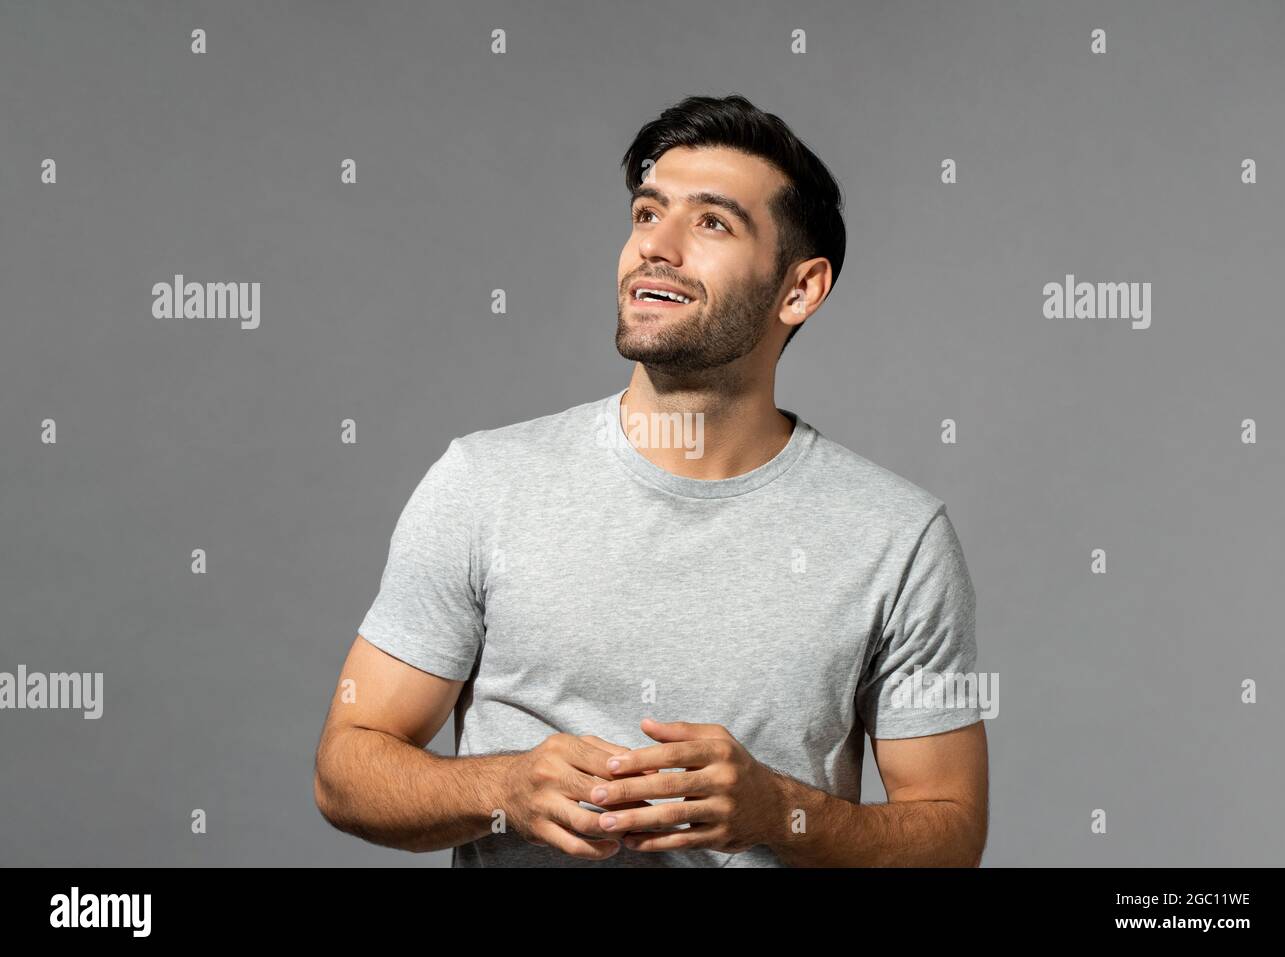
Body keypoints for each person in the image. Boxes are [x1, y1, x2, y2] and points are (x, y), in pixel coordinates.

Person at [313, 93, 988, 867]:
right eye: (645, 213)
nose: (655, 247)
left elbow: (951, 836)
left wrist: (780, 810)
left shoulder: (898, 539)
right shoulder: (482, 484)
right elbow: (346, 768)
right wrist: (503, 789)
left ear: (799, 289)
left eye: (711, 222)